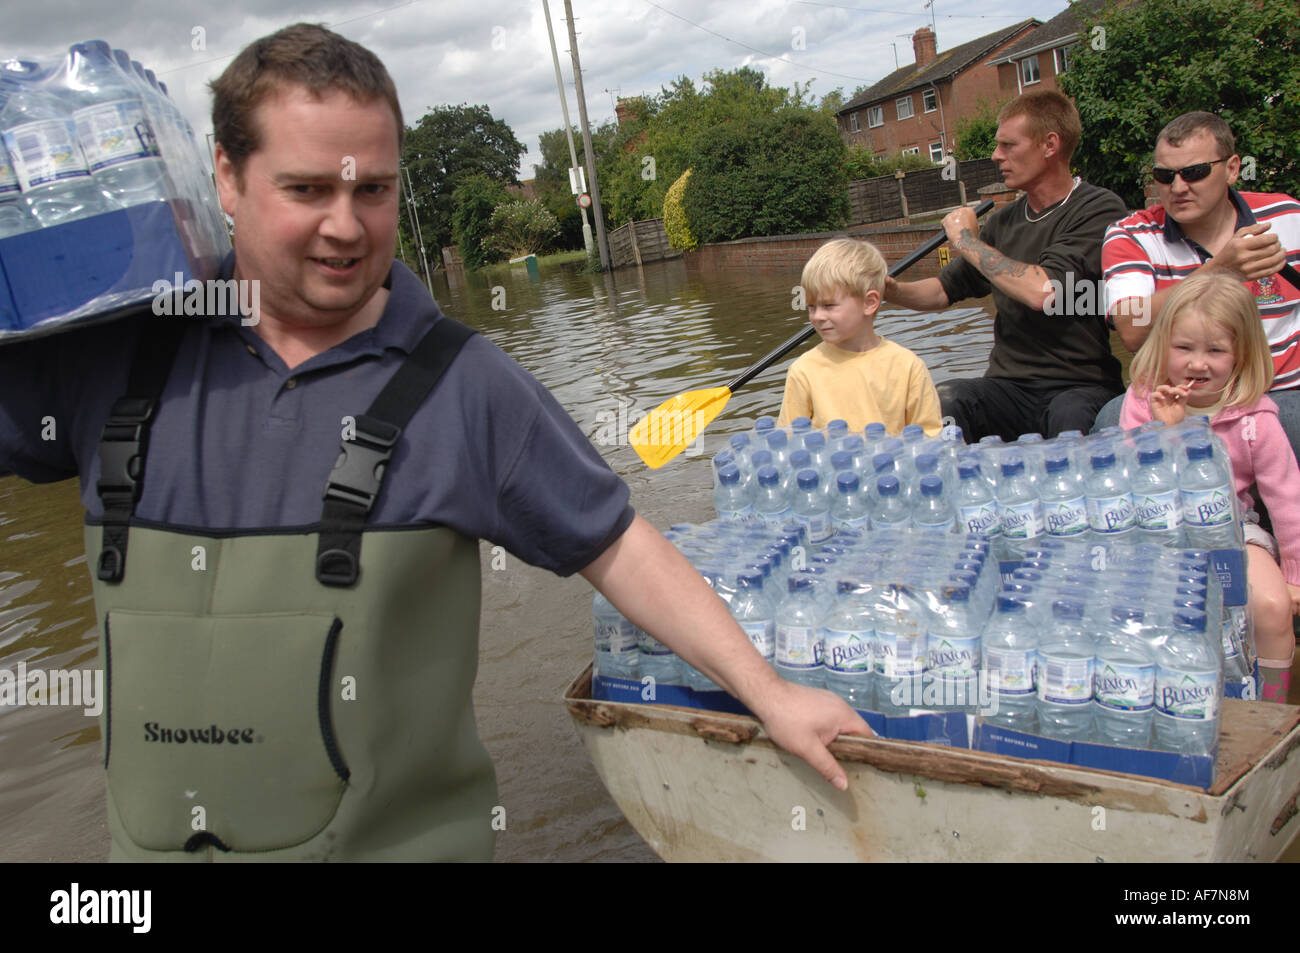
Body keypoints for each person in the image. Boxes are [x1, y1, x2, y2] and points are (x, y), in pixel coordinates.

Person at [0, 24, 869, 862]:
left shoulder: (465, 386)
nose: (346, 225)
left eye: (372, 189)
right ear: (226, 177)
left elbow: (620, 548)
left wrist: (772, 692)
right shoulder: (107, 361)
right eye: (308, 190)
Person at [884, 90, 1127, 441]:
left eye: (1008, 145)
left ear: (1050, 145)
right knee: (946, 401)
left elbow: (1043, 291)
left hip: (1080, 385)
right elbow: (940, 291)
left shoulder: (1099, 209)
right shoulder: (1003, 222)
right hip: (1008, 387)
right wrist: (888, 289)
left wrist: (966, 241)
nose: (997, 155)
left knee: (1069, 420)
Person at [1119, 271, 1300, 702]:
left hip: (1234, 530)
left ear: (1240, 355)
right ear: (1164, 345)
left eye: (1215, 351)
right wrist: (1168, 432)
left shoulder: (1256, 419)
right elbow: (1132, 482)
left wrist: (1295, 577)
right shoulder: (1142, 402)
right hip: (1155, 532)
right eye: (1184, 348)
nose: (1197, 363)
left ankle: (1271, 711)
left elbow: (1288, 500)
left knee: (1273, 609)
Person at [1098, 111, 1300, 444]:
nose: (1178, 187)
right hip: (1178, 401)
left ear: (1232, 169)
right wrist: (1221, 270)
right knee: (1110, 420)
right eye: (1164, 176)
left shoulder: (1288, 216)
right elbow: (1131, 329)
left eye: (1194, 173)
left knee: (1289, 418)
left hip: (1279, 391)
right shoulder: (1131, 236)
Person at [777, 238, 941, 434]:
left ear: (869, 303)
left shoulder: (908, 367)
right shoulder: (803, 370)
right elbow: (788, 440)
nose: (817, 316)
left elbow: (930, 437)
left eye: (829, 305)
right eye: (811, 307)